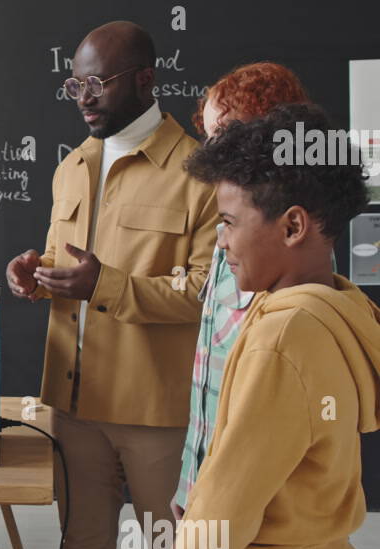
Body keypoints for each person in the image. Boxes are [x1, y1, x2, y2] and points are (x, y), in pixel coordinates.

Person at [5, 21, 219, 549]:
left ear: (146, 80)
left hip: (159, 414)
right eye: (75, 86)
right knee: (81, 548)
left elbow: (205, 295)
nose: (84, 99)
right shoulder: (72, 168)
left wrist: (105, 285)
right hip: (72, 407)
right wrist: (36, 275)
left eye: (97, 84)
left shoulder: (200, 176)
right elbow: (63, 263)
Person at [175, 103, 380, 549]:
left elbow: (224, 509)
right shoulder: (339, 311)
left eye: (228, 222)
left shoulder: (282, 337)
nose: (221, 242)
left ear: (292, 226)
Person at [173, 63, 310, 519]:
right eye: (209, 136)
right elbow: (211, 379)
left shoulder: (286, 249)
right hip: (205, 482)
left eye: (225, 135)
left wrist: (212, 513)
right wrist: (189, 491)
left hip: (248, 509)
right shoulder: (230, 233)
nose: (213, 151)